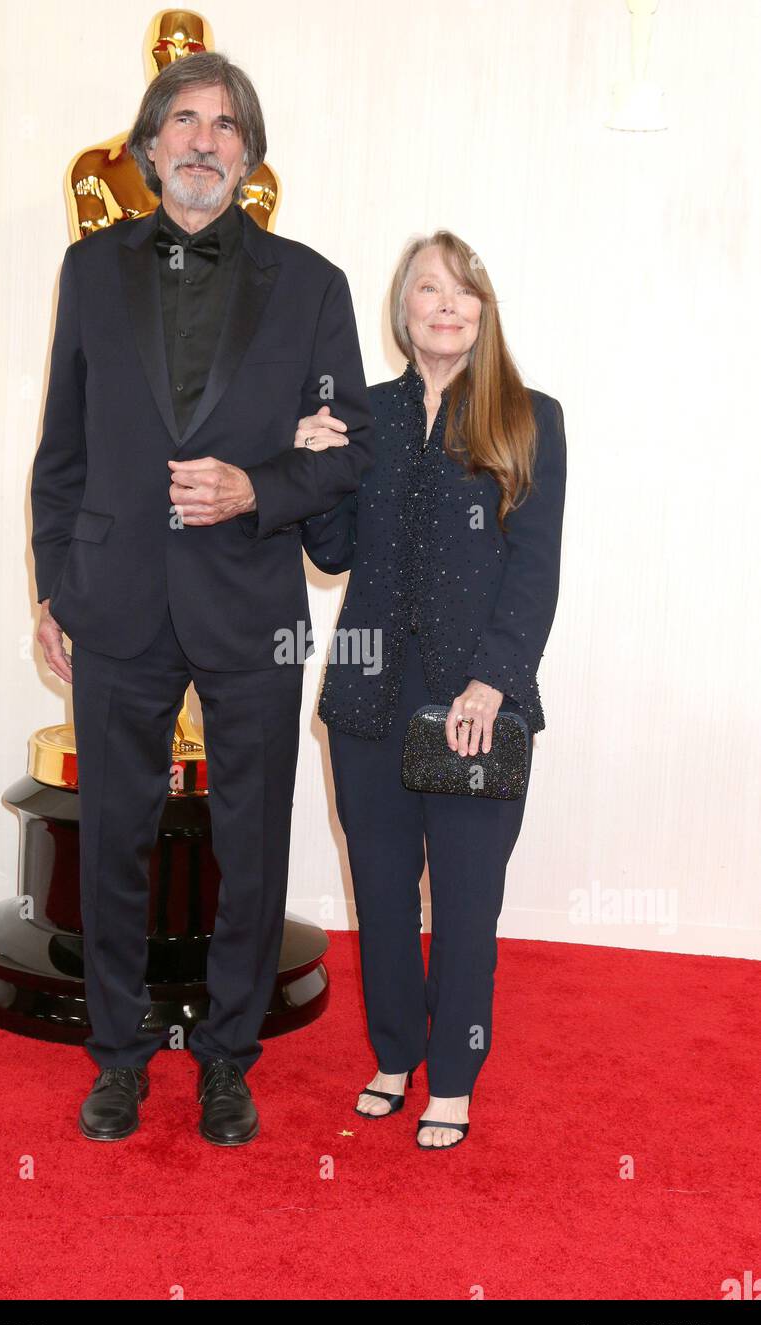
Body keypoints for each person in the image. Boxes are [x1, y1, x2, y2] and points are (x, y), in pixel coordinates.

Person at [30, 51, 372, 1146]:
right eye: (183, 119)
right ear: (147, 148)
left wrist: (256, 487)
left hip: (252, 604)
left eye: (225, 125)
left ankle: (228, 1056)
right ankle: (120, 1057)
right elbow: (62, 449)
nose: (202, 140)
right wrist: (53, 586)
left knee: (249, 841)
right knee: (115, 839)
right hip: (117, 600)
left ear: (249, 156)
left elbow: (343, 454)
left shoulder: (313, 286)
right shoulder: (89, 271)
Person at [299, 230, 567, 1149]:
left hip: (472, 704)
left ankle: (452, 1074)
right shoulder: (367, 417)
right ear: (402, 312)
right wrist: (316, 462)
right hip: (366, 697)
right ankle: (393, 1054)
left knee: (462, 897)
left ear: (484, 311)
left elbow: (534, 572)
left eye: (462, 291)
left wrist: (494, 681)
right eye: (426, 291)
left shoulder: (530, 419)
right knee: (379, 888)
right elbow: (330, 553)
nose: (445, 305)